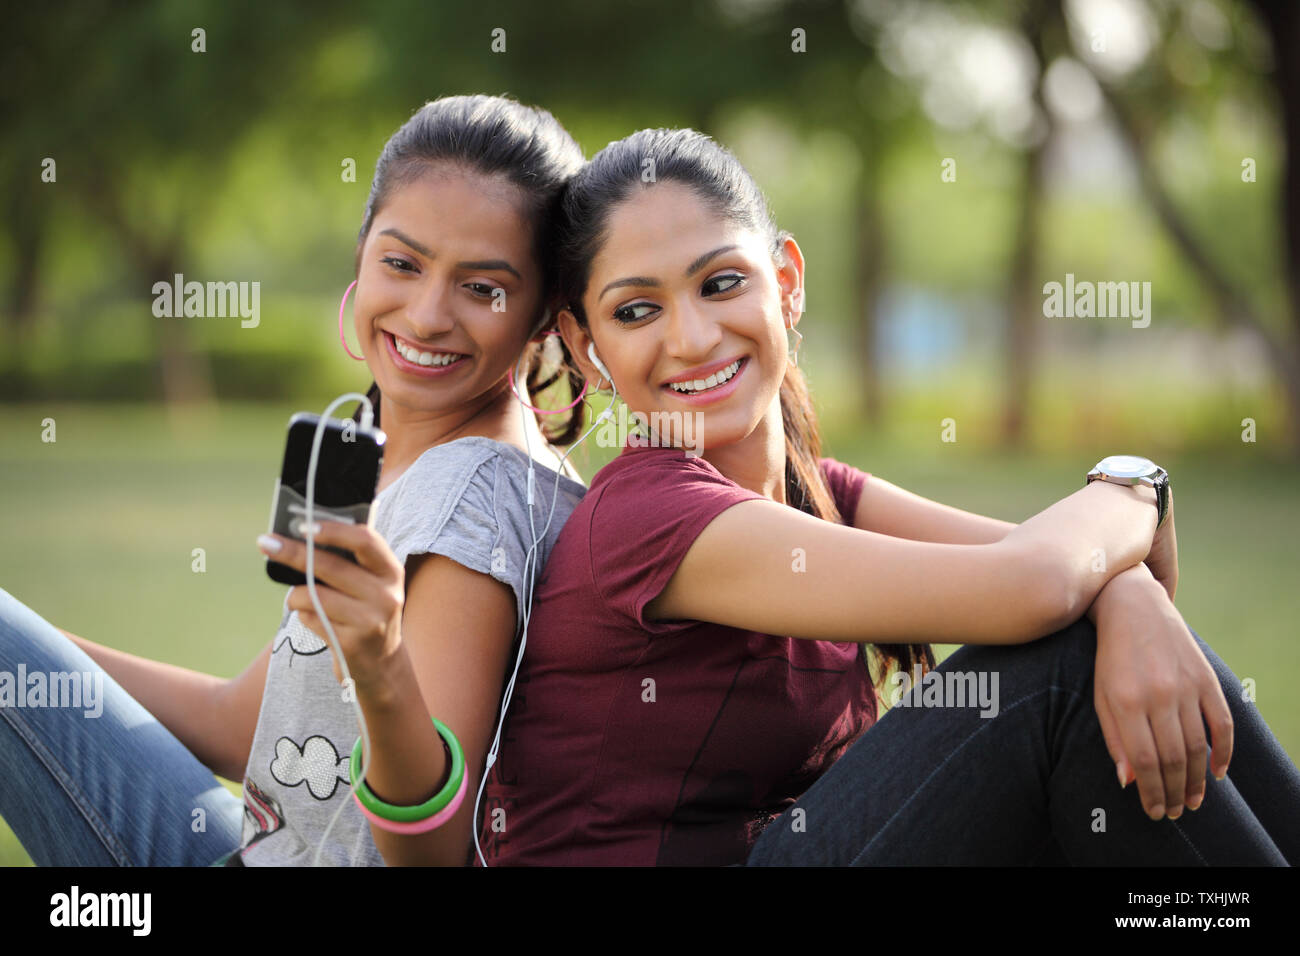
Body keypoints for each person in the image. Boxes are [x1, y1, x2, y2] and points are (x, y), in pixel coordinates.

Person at [473, 127, 1300, 866]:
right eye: (638, 309)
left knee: (1114, 662)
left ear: (787, 280)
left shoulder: (812, 493)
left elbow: (1062, 572)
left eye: (720, 283)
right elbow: (1036, 584)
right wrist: (1136, 488)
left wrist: (1123, 597)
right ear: (586, 344)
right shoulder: (645, 517)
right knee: (1058, 679)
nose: (690, 337)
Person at [0, 94, 589, 867]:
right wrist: (29, 660)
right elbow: (248, 728)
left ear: (545, 313)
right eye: (402, 263)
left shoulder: (469, 502)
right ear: (362, 251)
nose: (426, 314)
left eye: (482, 288)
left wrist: (379, 665)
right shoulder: (450, 464)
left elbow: (434, 852)